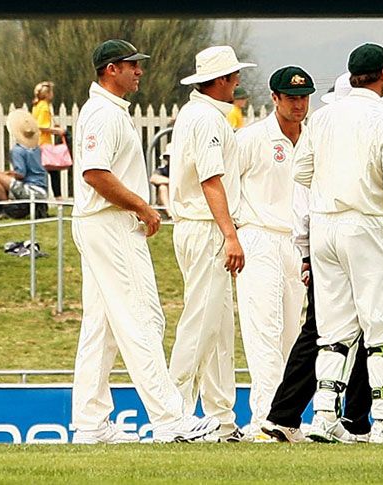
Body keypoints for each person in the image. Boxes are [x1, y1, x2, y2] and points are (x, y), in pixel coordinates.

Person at [70, 38, 218, 444]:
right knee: (142, 318)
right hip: (110, 223)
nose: (139, 71)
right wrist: (144, 207)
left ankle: (90, 423)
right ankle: (170, 418)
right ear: (110, 70)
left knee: (101, 325)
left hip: (102, 223)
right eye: (131, 65)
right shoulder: (102, 113)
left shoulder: (108, 110)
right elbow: (96, 174)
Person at [292, 43, 383, 444]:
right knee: (379, 325)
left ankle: (324, 415)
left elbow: (301, 170)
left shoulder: (323, 117)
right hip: (366, 222)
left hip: (325, 225)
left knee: (332, 327)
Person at [258, 71, 376, 444]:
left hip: (323, 243)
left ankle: (288, 414)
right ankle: (353, 420)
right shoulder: (340, 138)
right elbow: (302, 198)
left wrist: (308, 251)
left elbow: (300, 199)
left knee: (322, 331)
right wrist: (306, 253)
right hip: (349, 240)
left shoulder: (319, 134)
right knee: (367, 326)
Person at [167, 45, 252, 442]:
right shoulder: (205, 119)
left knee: (218, 325)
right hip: (206, 228)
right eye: (233, 76)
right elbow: (210, 179)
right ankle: (175, 414)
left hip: (202, 226)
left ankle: (220, 418)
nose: (237, 82)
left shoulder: (201, 114)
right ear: (218, 81)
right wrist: (230, 234)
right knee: (201, 320)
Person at [233, 66, 314, 436]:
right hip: (259, 235)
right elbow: (224, 185)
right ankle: (264, 416)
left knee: (291, 336)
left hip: (297, 243)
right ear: (275, 98)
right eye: (291, 97)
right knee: (263, 328)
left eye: (303, 97)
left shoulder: (314, 138)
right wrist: (233, 234)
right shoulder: (251, 138)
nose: (299, 104)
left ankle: (283, 418)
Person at [0, 110, 48, 217]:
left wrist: (7, 174)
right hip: (42, 190)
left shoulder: (18, 150)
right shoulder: (37, 148)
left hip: (30, 189)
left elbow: (20, 174)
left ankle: (7, 208)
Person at [31, 81, 69, 204]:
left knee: (45, 171)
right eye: (51, 91)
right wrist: (58, 130)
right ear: (47, 94)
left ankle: (48, 198)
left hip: (36, 142)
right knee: (53, 170)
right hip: (44, 143)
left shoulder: (36, 106)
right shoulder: (45, 107)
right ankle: (58, 198)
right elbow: (42, 126)